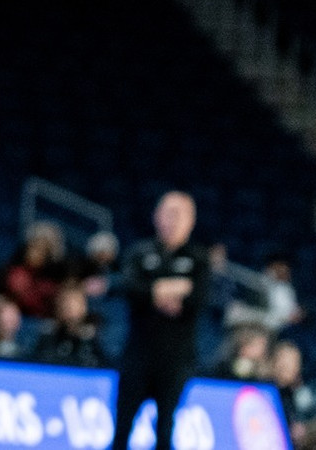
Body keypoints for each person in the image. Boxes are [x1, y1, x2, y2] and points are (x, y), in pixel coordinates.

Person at [112, 192, 211, 450]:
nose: (173, 220)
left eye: (180, 214)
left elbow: (198, 300)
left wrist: (155, 291)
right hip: (138, 354)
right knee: (122, 428)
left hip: (176, 359)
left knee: (165, 430)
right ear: (156, 216)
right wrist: (174, 288)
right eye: (168, 213)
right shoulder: (139, 252)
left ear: (191, 220)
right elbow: (130, 289)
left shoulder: (199, 259)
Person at [2, 221, 68, 319]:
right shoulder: (17, 272)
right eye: (33, 247)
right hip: (16, 315)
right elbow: (20, 297)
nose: (35, 253)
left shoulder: (53, 279)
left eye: (42, 250)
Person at [30, 283, 106, 367]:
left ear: (84, 306)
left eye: (74, 303)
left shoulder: (95, 336)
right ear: (58, 307)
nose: (70, 308)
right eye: (66, 303)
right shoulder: (48, 335)